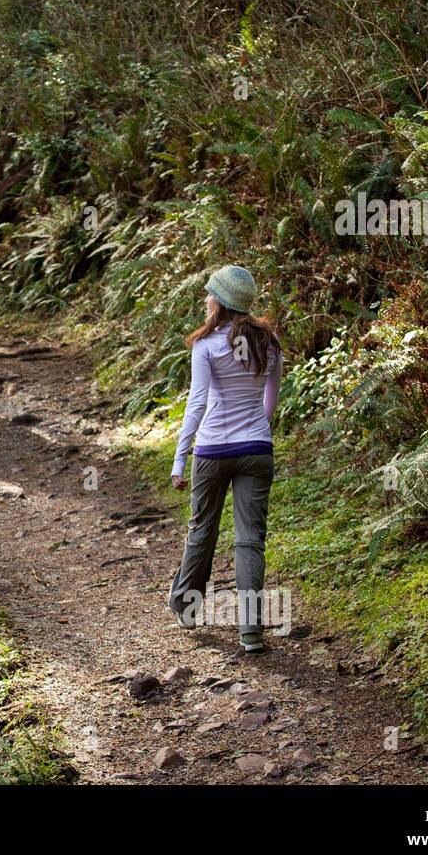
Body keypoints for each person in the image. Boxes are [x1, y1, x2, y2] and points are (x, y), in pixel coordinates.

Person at [168, 265, 282, 652]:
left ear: (221, 302)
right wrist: (253, 429)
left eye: (209, 293)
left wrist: (179, 460)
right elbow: (270, 401)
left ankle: (186, 607)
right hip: (256, 449)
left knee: (202, 529)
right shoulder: (269, 342)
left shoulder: (206, 345)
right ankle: (250, 632)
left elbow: (196, 403)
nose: (205, 299)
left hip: (213, 450)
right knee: (251, 541)